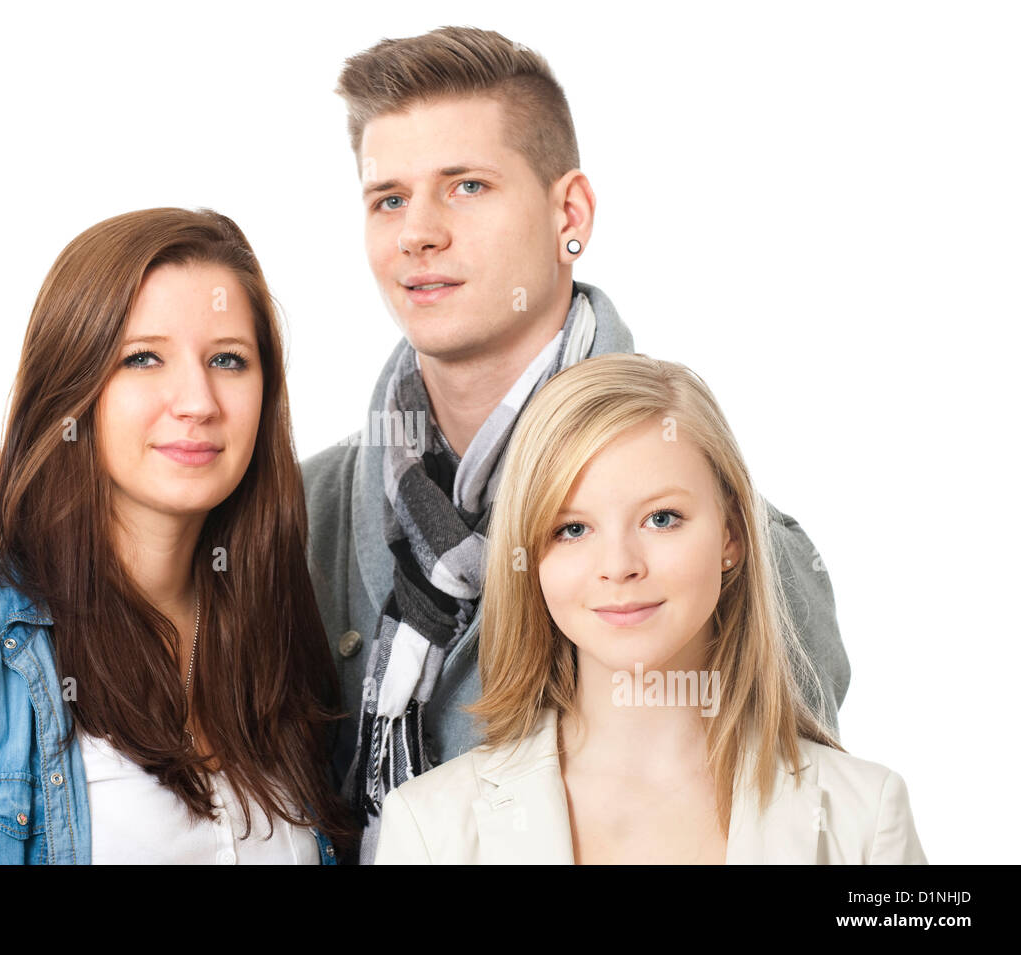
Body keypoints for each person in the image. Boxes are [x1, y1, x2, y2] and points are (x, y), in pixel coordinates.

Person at [301, 26, 850, 862]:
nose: (418, 232)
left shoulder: (734, 542)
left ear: (571, 214)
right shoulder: (304, 511)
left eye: (467, 186)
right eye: (389, 199)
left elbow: (803, 831)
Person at [0, 207, 354, 864]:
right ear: (71, 391)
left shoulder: (285, 651)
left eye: (227, 358)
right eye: (143, 358)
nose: (196, 400)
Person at [375, 354, 926, 864]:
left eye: (661, 518)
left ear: (732, 534)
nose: (619, 565)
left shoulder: (866, 819)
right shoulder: (432, 830)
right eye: (572, 529)